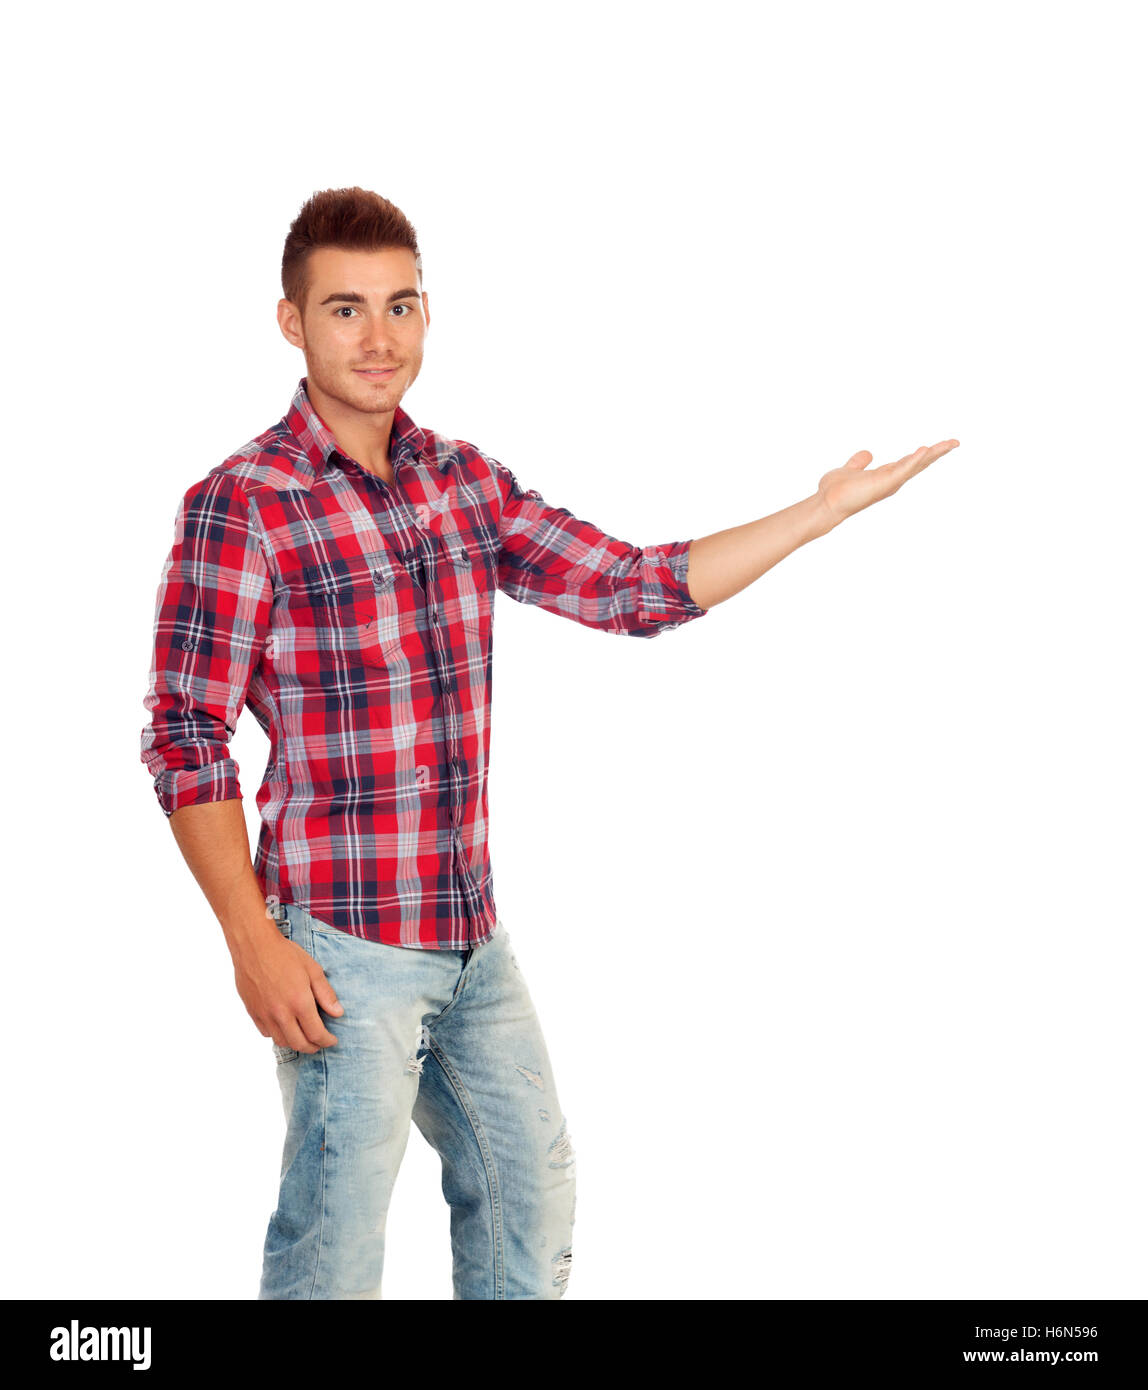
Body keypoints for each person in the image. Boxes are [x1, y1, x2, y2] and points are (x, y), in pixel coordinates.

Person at [139, 185, 958, 1301]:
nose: (378, 338)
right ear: (291, 323)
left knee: (531, 1193)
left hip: (472, 937)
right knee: (332, 1249)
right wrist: (249, 938)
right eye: (344, 309)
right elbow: (186, 735)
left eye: (400, 305)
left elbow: (630, 588)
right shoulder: (244, 504)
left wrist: (813, 515)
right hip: (342, 949)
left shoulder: (460, 482)